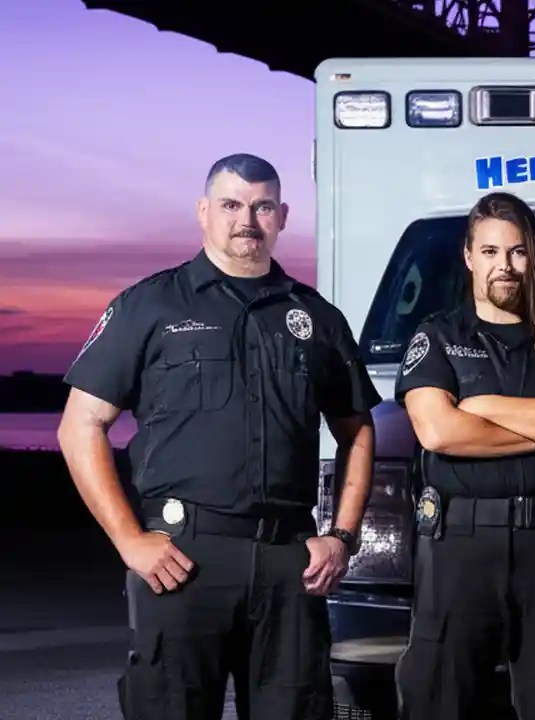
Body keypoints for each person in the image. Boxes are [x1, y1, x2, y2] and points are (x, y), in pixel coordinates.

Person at [56, 153, 381, 719]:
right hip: (182, 558)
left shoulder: (316, 317)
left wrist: (343, 537)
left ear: (282, 216)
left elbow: (357, 431)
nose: (246, 220)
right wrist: (129, 539)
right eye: (231, 205)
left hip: (289, 562)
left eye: (261, 207)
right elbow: (80, 424)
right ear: (203, 212)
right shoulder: (150, 305)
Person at [393, 191, 535, 720]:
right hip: (459, 547)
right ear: (469, 257)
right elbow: (438, 431)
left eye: (516, 251)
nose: (504, 265)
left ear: (531, 257)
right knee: (440, 700)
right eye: (490, 252)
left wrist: (484, 406)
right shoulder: (437, 336)